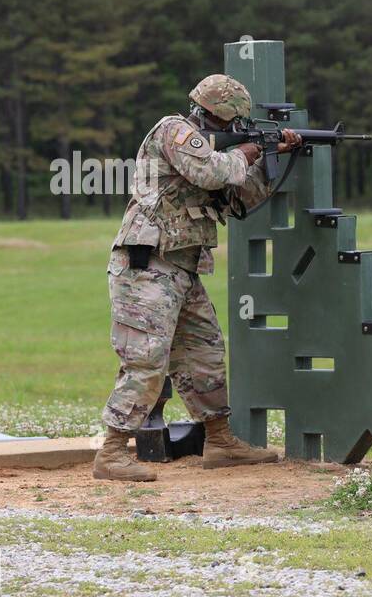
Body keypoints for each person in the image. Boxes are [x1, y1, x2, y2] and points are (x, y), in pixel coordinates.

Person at [94, 74, 301, 481]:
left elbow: (240, 199)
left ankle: (220, 441)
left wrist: (270, 158)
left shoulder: (218, 153)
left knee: (204, 355)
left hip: (183, 269)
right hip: (147, 266)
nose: (233, 131)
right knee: (147, 360)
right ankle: (113, 451)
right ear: (212, 114)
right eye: (229, 124)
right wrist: (247, 151)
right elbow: (213, 173)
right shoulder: (177, 132)